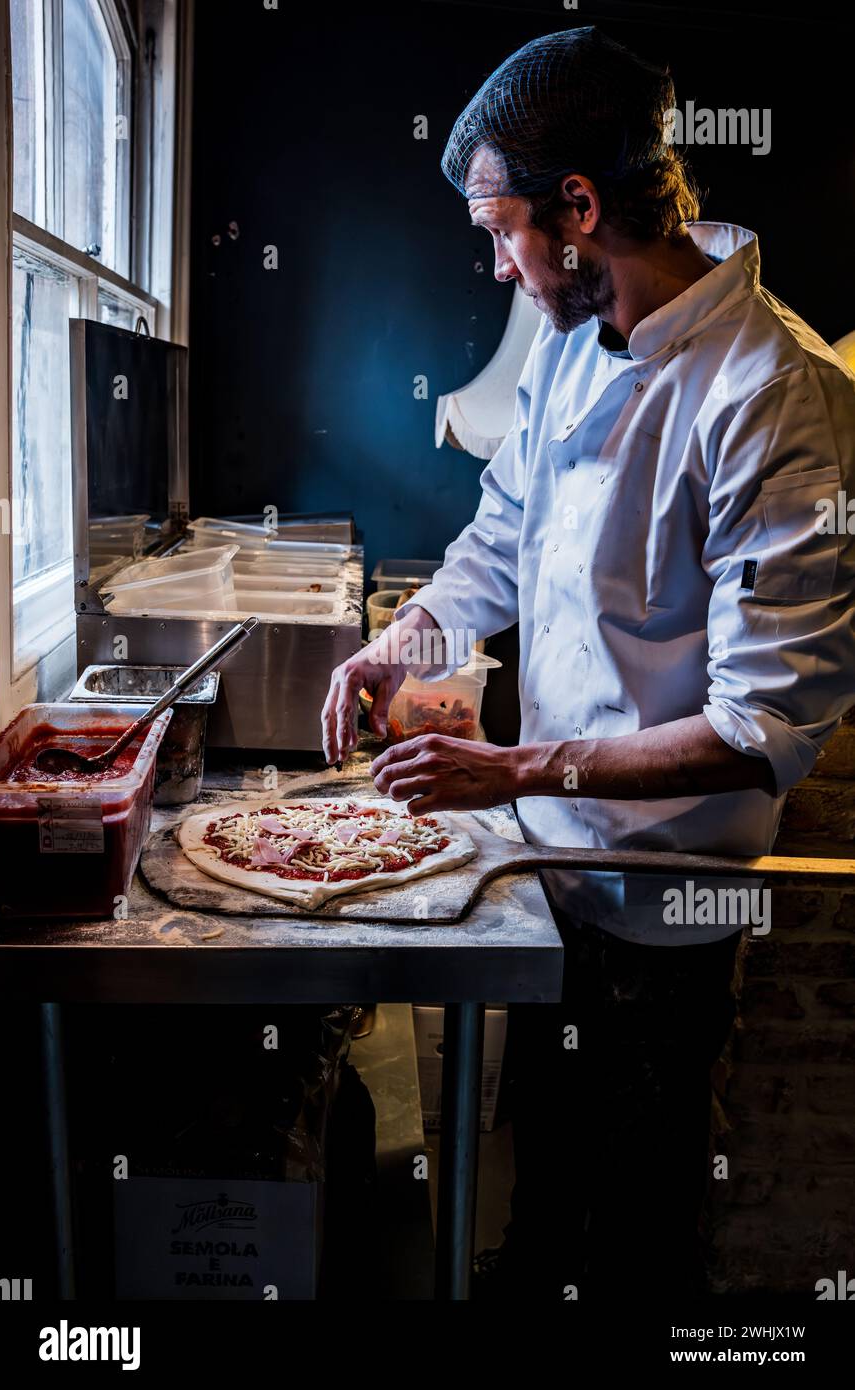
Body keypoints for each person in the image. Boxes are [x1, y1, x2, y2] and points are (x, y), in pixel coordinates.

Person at [320, 27, 855, 1298]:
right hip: (548, 876)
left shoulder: (774, 394)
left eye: (500, 230)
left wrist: (509, 767)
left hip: (671, 903)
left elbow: (759, 729)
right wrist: (396, 643)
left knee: (637, 1235)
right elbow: (497, 538)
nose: (493, 261)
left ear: (577, 207)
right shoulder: (565, 338)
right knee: (541, 1196)